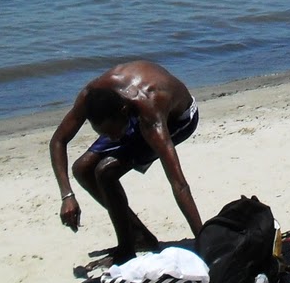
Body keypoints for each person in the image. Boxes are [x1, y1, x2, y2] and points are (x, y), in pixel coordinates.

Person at [49, 60, 203, 264]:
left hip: (179, 119)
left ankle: (126, 249)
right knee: (82, 169)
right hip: (132, 113)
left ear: (123, 112)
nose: (113, 138)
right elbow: (58, 140)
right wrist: (67, 196)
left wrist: (204, 244)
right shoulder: (90, 96)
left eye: (113, 132)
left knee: (105, 171)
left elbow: (179, 184)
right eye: (104, 134)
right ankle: (140, 236)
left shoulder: (149, 109)